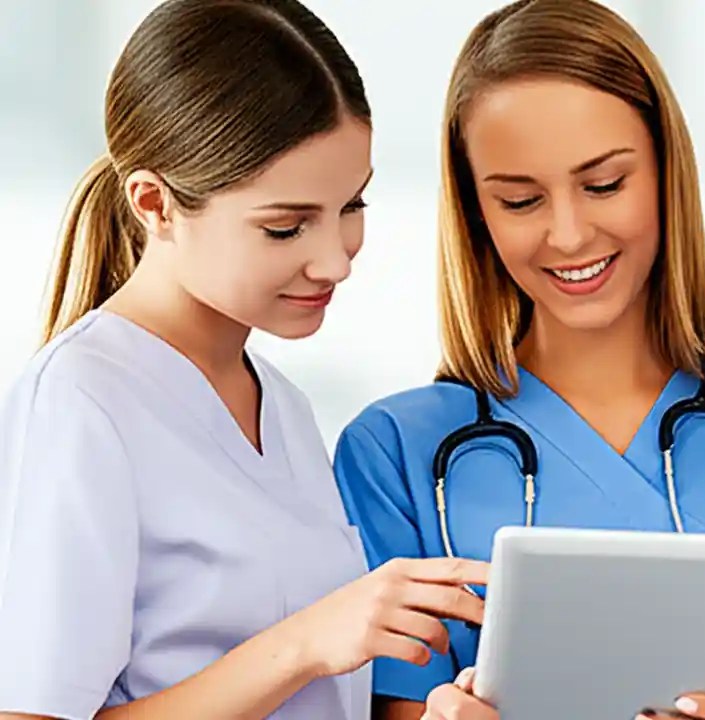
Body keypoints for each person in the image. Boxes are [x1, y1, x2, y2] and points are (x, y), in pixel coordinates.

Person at [330, 1, 705, 719]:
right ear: (476, 212)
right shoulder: (395, 453)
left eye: (604, 185)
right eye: (521, 200)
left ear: (665, 170)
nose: (568, 234)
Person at [0, 2, 486, 719]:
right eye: (286, 226)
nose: (335, 261)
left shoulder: (282, 405)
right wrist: (304, 644)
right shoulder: (80, 403)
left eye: (351, 205)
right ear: (155, 204)